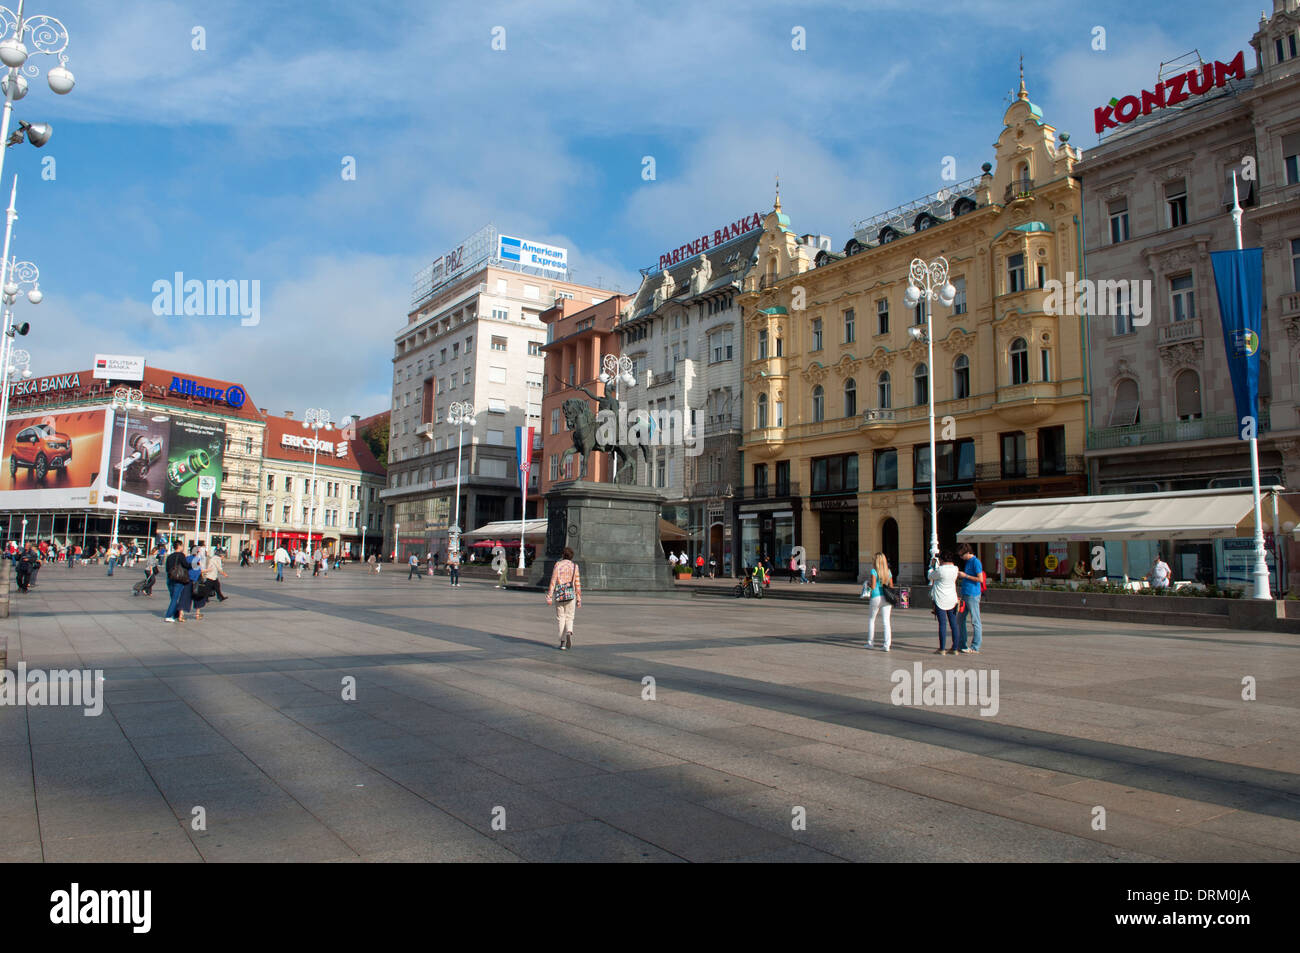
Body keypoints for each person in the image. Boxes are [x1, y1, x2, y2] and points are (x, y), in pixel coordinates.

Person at [546, 546, 582, 650]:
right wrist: (579, 599)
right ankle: (569, 631)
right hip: (571, 595)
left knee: (561, 617)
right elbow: (577, 583)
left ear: (563, 555)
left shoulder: (558, 565)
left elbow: (553, 581)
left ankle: (562, 642)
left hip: (560, 594)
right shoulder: (575, 566)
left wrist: (549, 596)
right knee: (570, 616)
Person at [928, 551, 961, 654]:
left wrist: (933, 566)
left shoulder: (940, 570)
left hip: (940, 598)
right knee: (954, 624)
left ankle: (942, 648)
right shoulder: (955, 569)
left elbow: (930, 576)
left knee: (942, 624)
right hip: (952, 598)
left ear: (942, 560)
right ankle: (955, 648)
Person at [861, 552, 895, 651]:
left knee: (872, 620)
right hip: (887, 597)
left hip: (876, 597)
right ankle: (886, 645)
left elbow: (873, 586)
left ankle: (870, 643)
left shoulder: (874, 571)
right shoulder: (888, 571)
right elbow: (891, 586)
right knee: (886, 622)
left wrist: (868, 584)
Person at [955, 542, 985, 654]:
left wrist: (965, 576)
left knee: (975, 620)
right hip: (965, 593)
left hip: (973, 594)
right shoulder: (968, 562)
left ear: (968, 553)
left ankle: (975, 646)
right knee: (960, 619)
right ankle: (962, 644)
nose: (961, 557)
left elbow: (980, 579)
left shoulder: (975, 562)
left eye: (962, 555)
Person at [163, 540, 193, 623]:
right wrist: (195, 564)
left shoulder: (170, 556)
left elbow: (167, 569)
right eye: (182, 546)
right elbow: (186, 565)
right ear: (179, 546)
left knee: (173, 597)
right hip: (178, 579)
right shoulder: (181, 555)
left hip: (170, 578)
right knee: (175, 598)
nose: (183, 547)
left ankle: (175, 615)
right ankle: (168, 616)